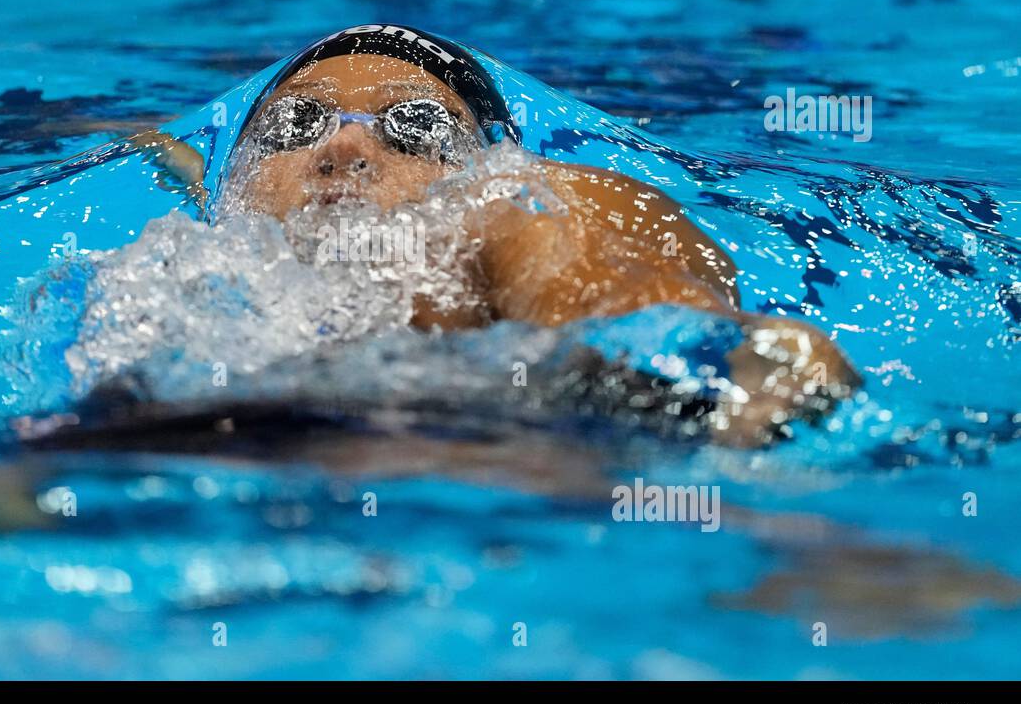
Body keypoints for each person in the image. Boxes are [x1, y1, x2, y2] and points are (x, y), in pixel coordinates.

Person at [143, 23, 860, 446]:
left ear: (491, 164)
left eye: (414, 127)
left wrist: (709, 354)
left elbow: (606, 284)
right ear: (225, 188)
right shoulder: (202, 253)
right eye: (295, 125)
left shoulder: (499, 211)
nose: (344, 151)